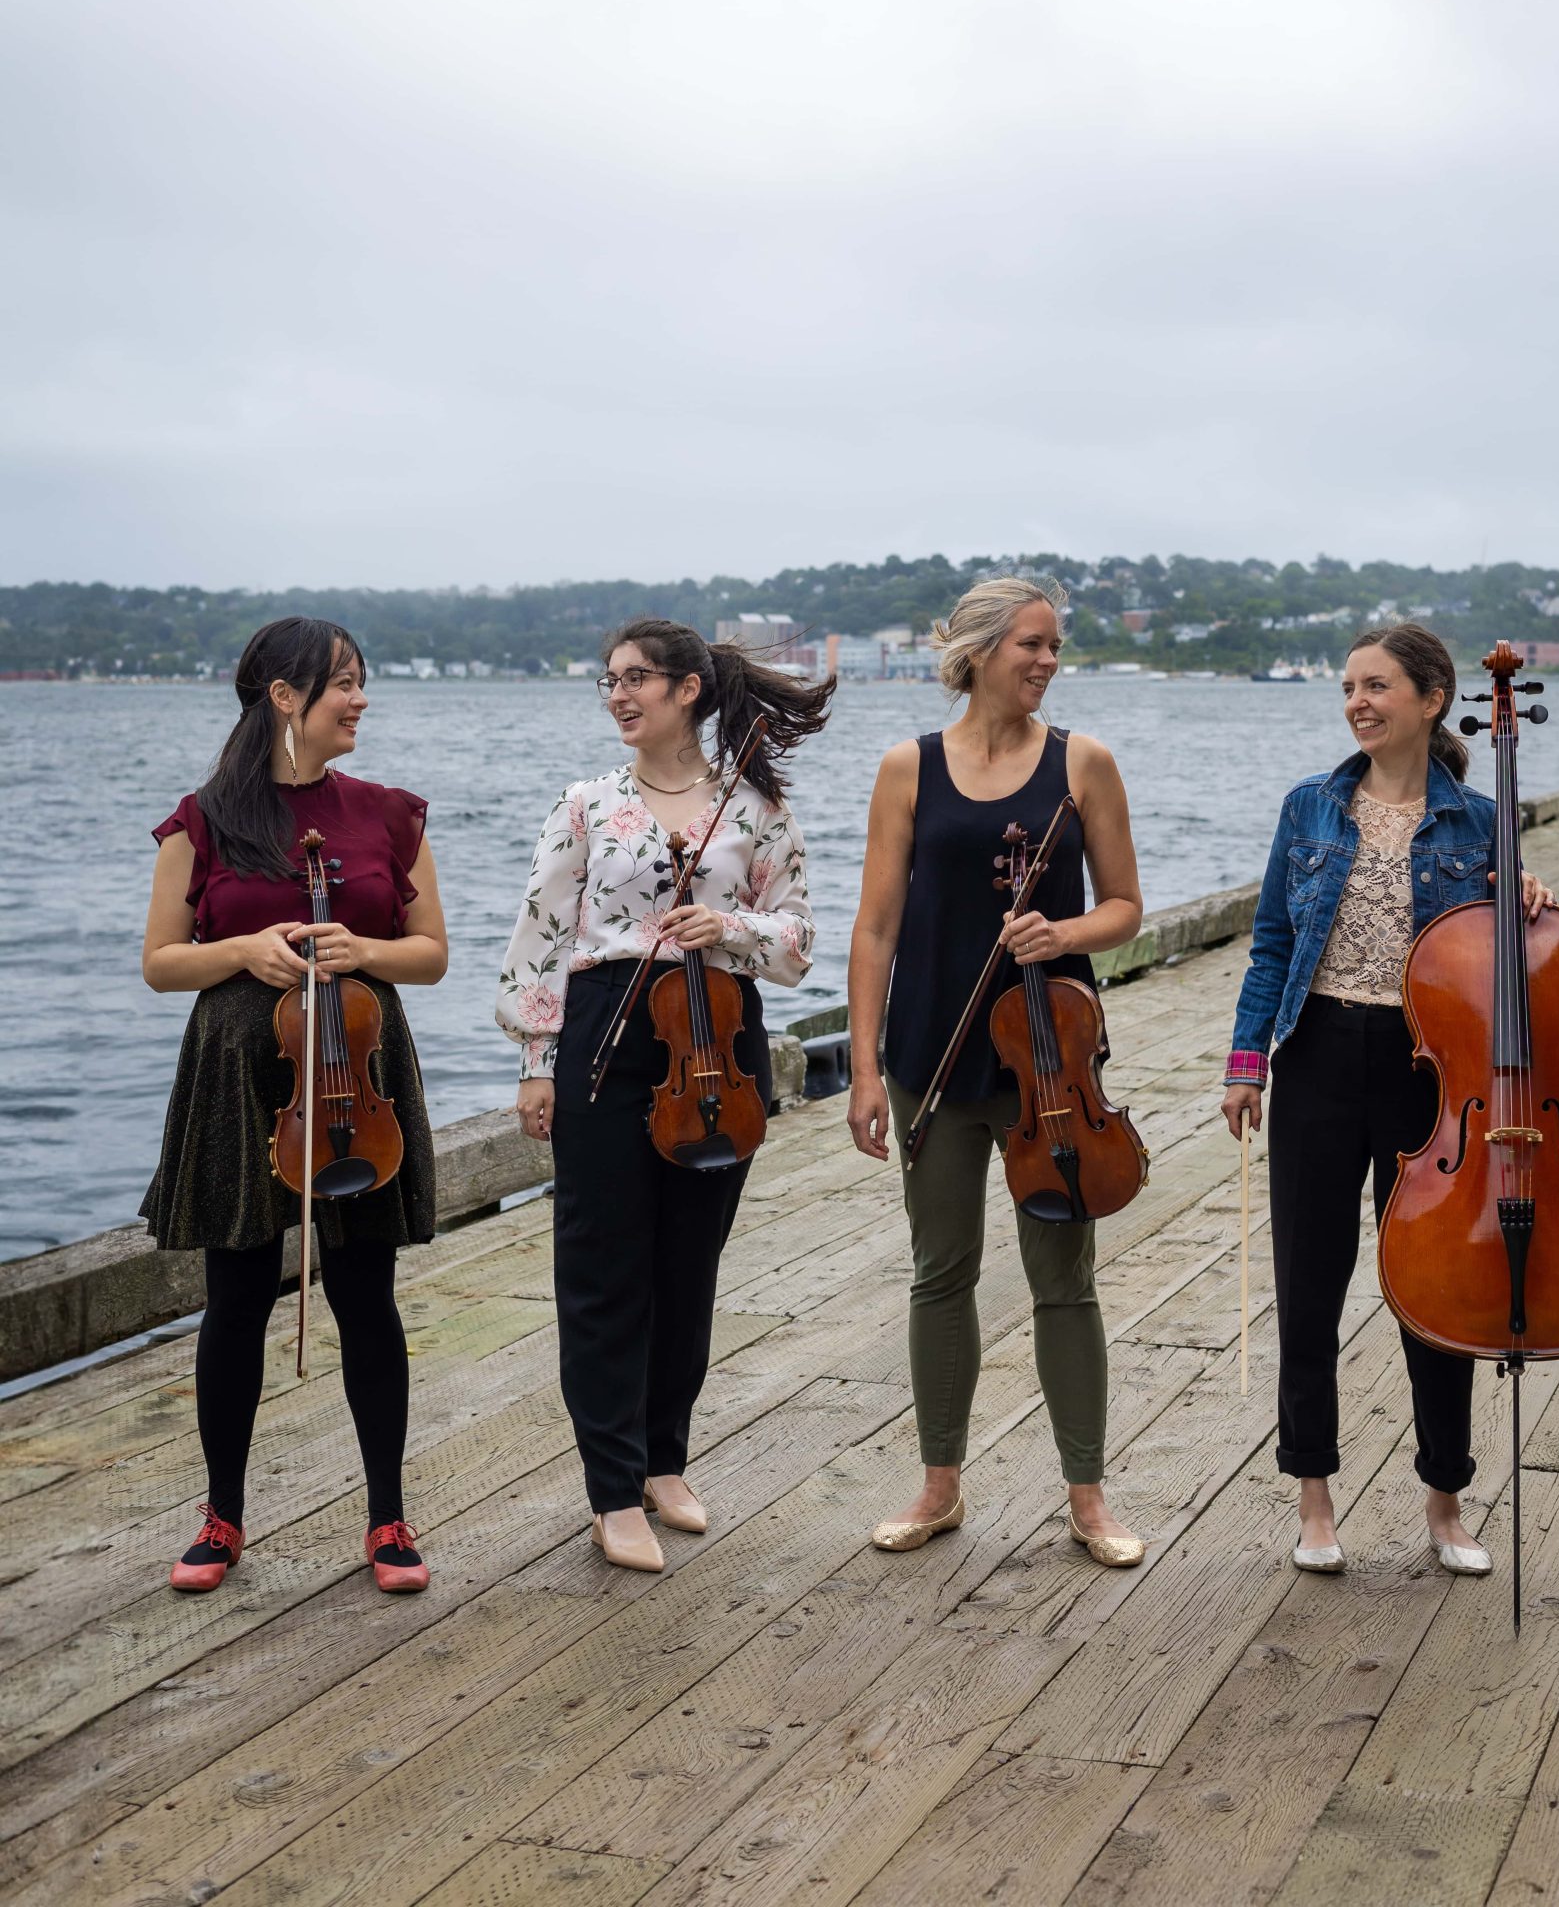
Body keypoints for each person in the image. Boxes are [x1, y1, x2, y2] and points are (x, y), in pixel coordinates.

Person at [1221, 620, 1553, 1577]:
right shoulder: (1308, 808)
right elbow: (1273, 942)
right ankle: (1314, 1500)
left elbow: (1504, 963)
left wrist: (1523, 889)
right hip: (1318, 1054)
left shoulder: (1479, 820)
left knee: (1433, 1291)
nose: (1357, 702)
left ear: (1430, 698)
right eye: (1347, 688)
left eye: (1374, 686)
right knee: (1309, 1290)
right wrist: (1247, 1062)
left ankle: (1444, 1503)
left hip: (1427, 1073)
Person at [499, 619, 829, 1574]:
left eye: (636, 679)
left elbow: (799, 942)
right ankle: (612, 1487)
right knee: (602, 1267)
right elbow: (542, 936)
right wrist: (534, 1061)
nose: (617, 695)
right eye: (608, 681)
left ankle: (664, 1460)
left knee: (690, 1262)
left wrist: (723, 922)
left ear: (688, 689)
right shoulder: (586, 804)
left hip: (718, 1038)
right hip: (606, 1025)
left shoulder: (755, 806)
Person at [142, 616, 448, 1595]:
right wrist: (243, 949)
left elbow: (430, 952)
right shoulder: (204, 817)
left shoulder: (388, 813)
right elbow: (160, 962)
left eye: (362, 682)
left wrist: (358, 950)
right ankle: (221, 1517)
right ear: (284, 694)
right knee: (235, 1296)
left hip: (356, 1068)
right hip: (241, 1071)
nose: (361, 699)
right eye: (344, 683)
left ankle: (388, 1518)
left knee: (366, 1294)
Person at [846, 576, 1148, 1566]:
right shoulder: (908, 768)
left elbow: (1125, 909)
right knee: (942, 1271)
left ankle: (1089, 1495)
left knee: (1064, 1277)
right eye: (1031, 644)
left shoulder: (1083, 764)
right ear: (978, 650)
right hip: (928, 1049)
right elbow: (877, 927)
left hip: (1048, 1062)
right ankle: (939, 1486)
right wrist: (861, 1067)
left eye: (1055, 646)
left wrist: (1059, 930)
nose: (1048, 662)